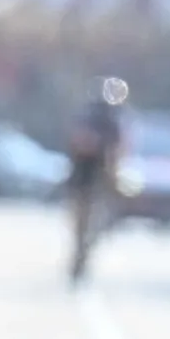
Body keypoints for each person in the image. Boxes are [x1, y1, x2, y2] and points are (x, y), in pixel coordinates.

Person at [63, 76, 129, 282]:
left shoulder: (112, 119)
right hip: (86, 177)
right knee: (82, 223)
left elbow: (118, 150)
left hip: (99, 179)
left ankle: (83, 254)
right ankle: (80, 256)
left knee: (93, 222)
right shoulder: (93, 118)